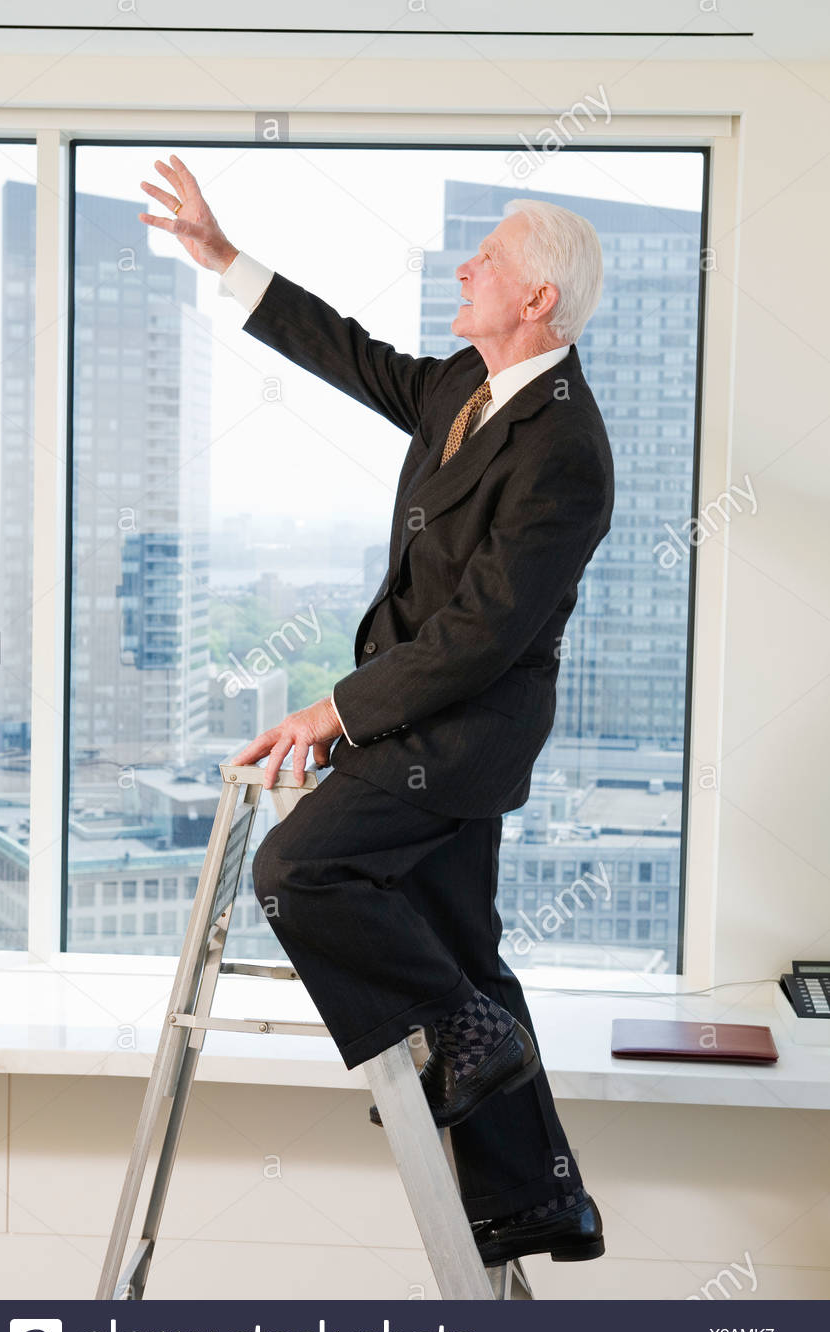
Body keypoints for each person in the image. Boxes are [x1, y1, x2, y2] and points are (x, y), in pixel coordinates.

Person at [140, 154, 614, 1267]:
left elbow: (478, 636)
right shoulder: (465, 385)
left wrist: (331, 714)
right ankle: (545, 1197)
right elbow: (353, 355)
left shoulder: (565, 451)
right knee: (464, 950)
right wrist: (224, 258)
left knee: (298, 873)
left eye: (486, 255)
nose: (466, 262)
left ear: (535, 297)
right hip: (415, 718)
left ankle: (460, 1032)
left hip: (457, 735)